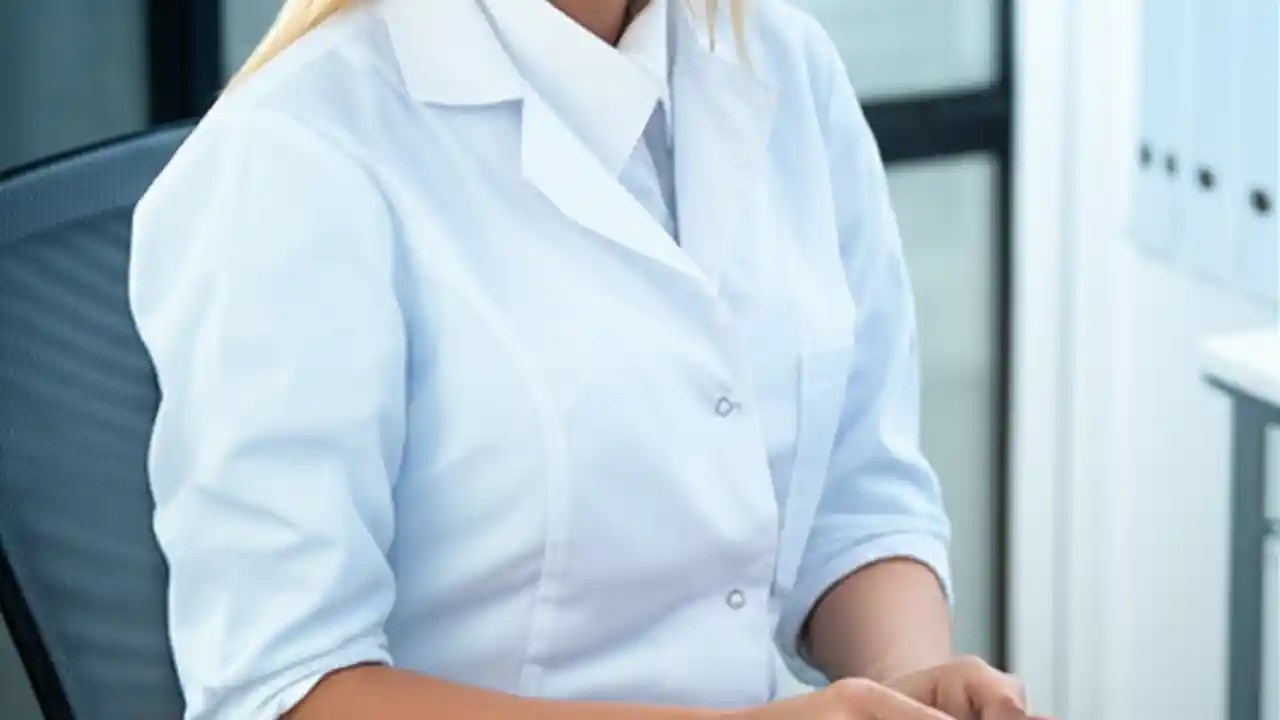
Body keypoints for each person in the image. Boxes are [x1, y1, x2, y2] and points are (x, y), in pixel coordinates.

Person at [130, 0, 1044, 718]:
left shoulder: (783, 64)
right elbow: (286, 690)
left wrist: (909, 678)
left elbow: (856, 492)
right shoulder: (292, 154)